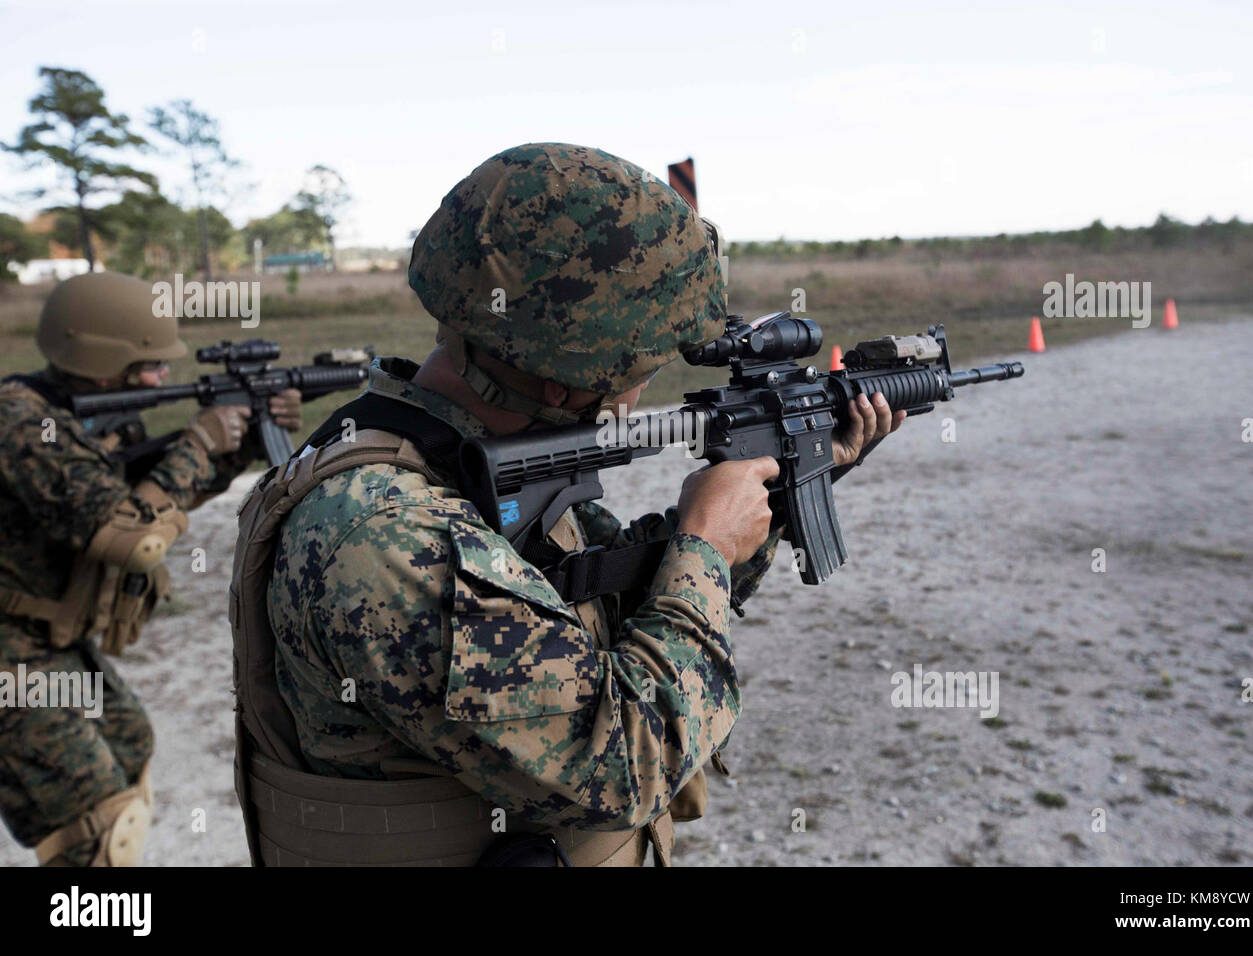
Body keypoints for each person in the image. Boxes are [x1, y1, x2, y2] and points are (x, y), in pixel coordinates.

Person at [230, 143, 902, 866]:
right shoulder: (386, 535)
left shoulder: (453, 457)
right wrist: (705, 545)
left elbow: (618, 598)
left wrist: (780, 483)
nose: (643, 392)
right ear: (563, 382)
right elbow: (624, 767)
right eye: (643, 368)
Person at [0, 271, 301, 866]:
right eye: (148, 365)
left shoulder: (87, 415)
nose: (161, 376)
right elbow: (135, 536)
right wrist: (198, 440)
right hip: (11, 651)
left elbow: (156, 501)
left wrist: (233, 446)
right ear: (100, 357)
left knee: (129, 745)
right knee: (96, 823)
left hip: (45, 641)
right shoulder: (25, 424)